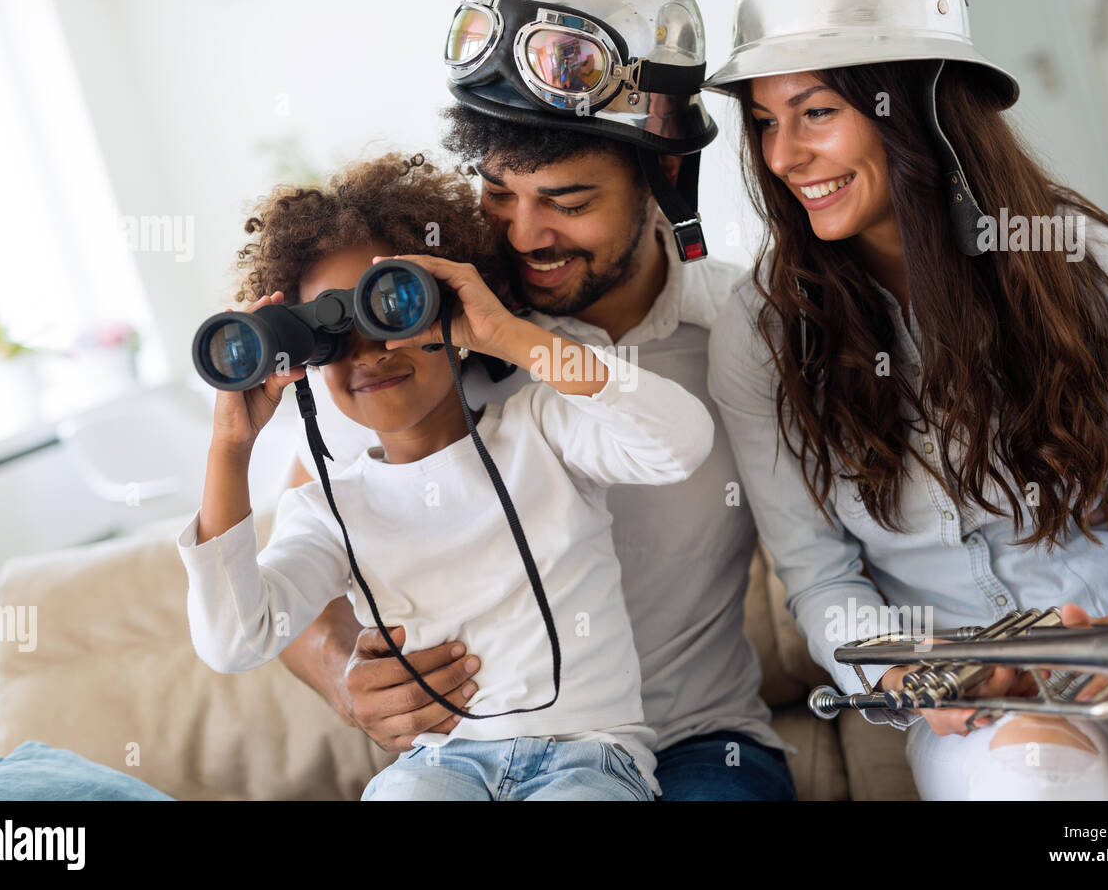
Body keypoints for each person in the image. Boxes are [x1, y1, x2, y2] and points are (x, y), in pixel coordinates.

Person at [703, 0, 1108, 799]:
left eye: (816, 112)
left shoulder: (1078, 258)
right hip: (970, 690)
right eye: (764, 122)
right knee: (1038, 782)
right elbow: (823, 580)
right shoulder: (762, 334)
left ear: (917, 106)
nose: (783, 157)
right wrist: (912, 672)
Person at [274, 0, 798, 800]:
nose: (524, 238)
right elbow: (301, 532)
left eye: (568, 201)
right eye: (497, 196)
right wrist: (342, 674)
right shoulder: (427, 343)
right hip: (489, 761)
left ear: (662, 177)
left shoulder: (749, 329)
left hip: (701, 748)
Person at [178, 153, 716, 800]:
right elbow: (236, 639)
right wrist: (230, 448)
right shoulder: (327, 509)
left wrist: (507, 335)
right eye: (328, 339)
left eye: (391, 311)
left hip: (589, 758)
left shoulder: (542, 431)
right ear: (303, 359)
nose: (368, 353)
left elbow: (680, 443)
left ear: (448, 313)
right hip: (440, 767)